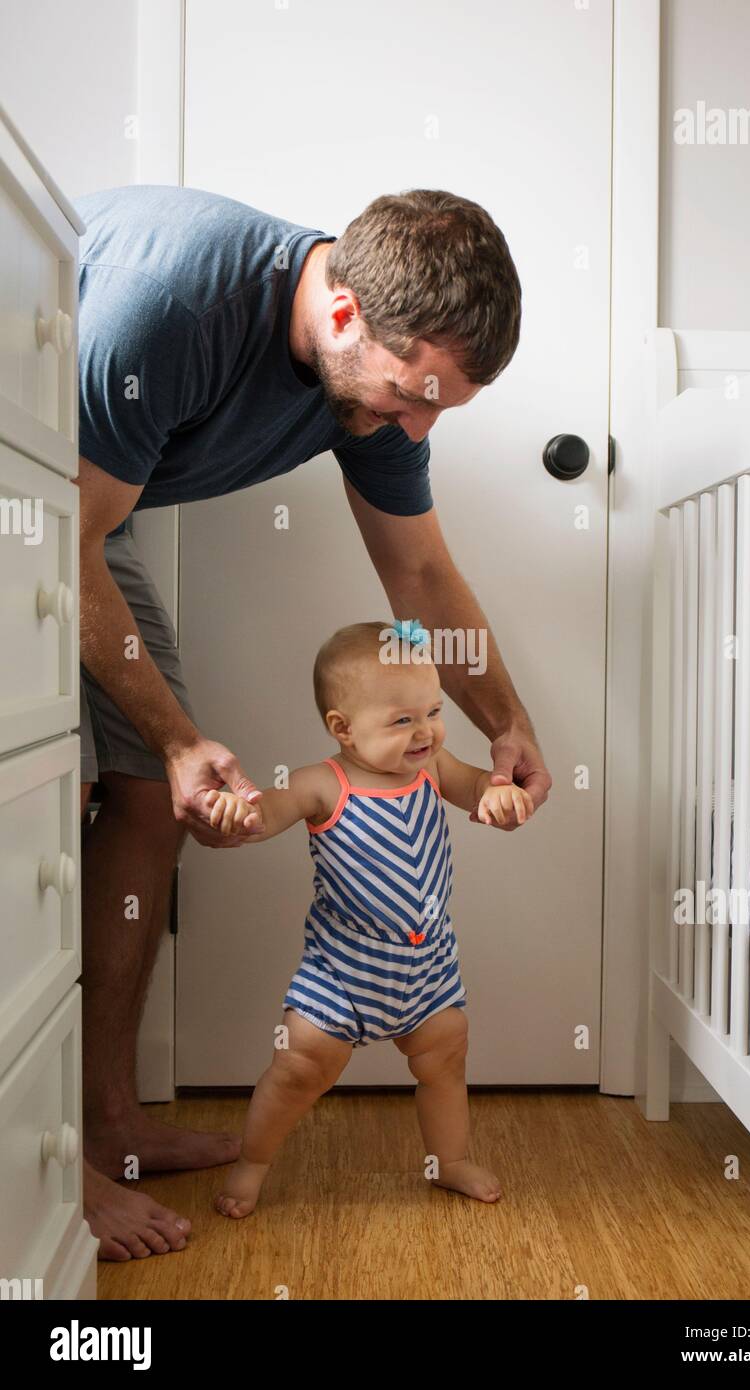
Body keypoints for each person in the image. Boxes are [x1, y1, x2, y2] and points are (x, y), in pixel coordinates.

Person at [74, 184, 552, 1260]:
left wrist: (506, 721)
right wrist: (177, 731)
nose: (417, 428)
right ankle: (47, 1165)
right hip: (40, 493)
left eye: (441, 408)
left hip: (91, 513)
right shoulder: (170, 304)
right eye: (411, 396)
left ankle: (109, 1122)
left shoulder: (373, 385)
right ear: (343, 316)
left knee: (148, 794)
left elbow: (420, 571)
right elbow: (57, 537)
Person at [207, 619, 534, 1218]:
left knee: (446, 1058)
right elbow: (267, 813)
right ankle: (252, 1163)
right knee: (300, 1067)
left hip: (428, 967)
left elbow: (473, 791)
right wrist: (237, 814)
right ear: (343, 729)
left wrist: (500, 797)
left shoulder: (434, 769)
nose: (426, 731)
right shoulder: (320, 785)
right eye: (402, 720)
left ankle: (450, 1160)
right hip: (343, 970)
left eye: (432, 711)